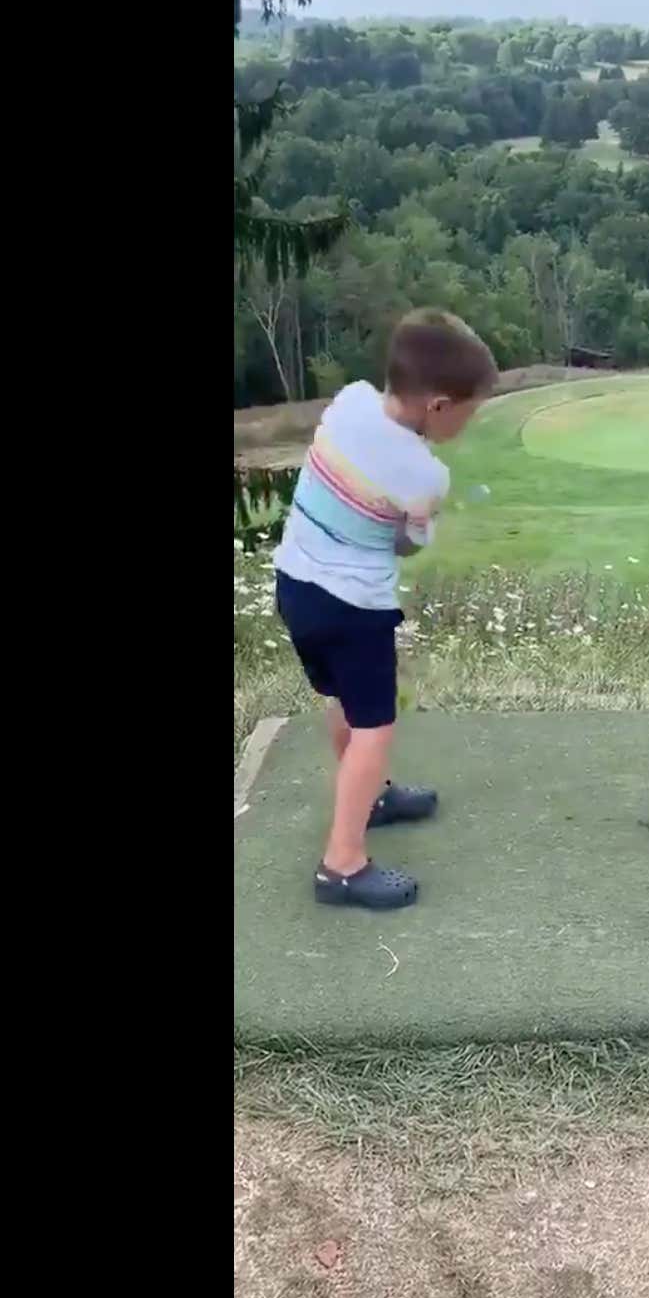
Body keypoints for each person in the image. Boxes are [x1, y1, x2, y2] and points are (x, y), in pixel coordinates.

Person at [273, 309, 498, 909]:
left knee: (341, 703)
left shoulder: (348, 402)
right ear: (439, 406)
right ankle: (341, 865)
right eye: (469, 412)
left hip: (295, 586)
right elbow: (407, 541)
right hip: (353, 608)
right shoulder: (425, 473)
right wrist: (418, 518)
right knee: (375, 727)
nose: (468, 424)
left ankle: (369, 797)